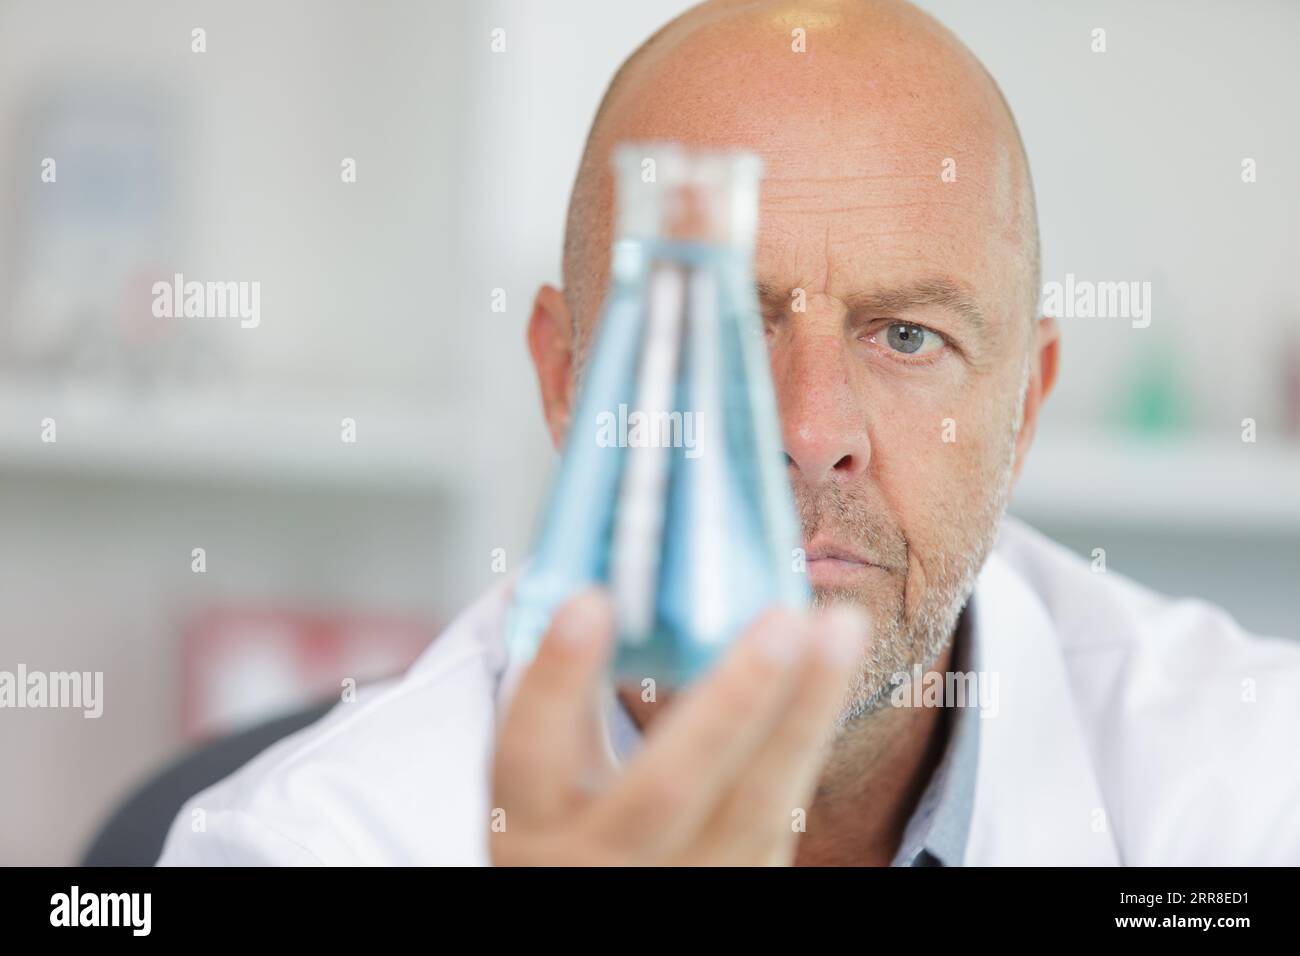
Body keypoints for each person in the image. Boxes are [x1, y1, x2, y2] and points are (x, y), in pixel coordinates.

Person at [158, 0, 1300, 866]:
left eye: (907, 337)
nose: (808, 429)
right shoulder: (308, 844)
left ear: (1026, 408)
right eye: (721, 331)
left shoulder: (1251, 787)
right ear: (564, 378)